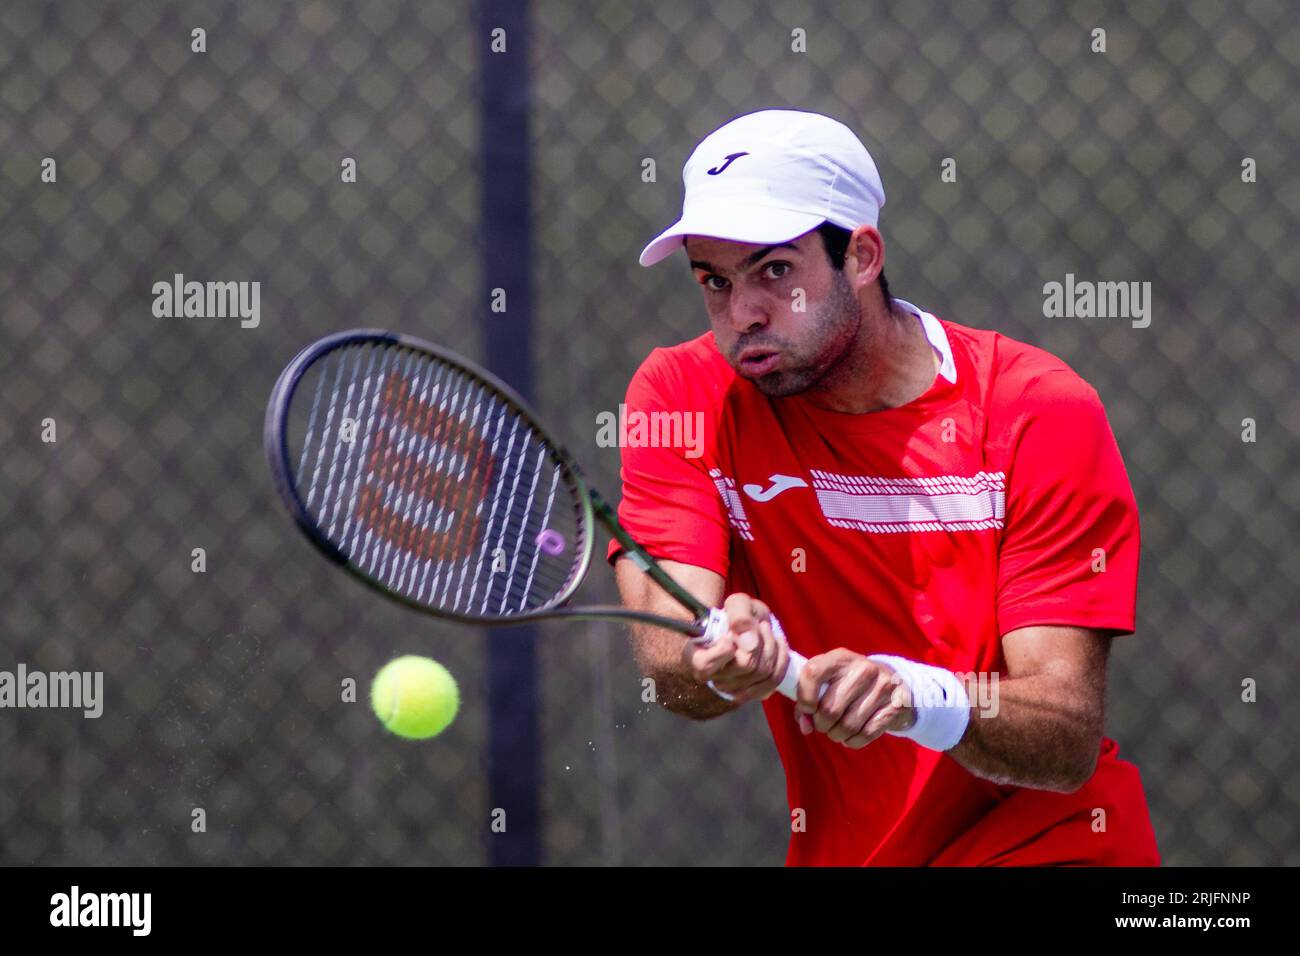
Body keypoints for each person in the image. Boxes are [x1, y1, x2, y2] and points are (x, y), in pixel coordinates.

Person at [608, 108, 1160, 866]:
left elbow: (1063, 734)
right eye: (714, 279)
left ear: (861, 255)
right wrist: (719, 652)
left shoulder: (1037, 410)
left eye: (775, 271)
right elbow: (674, 668)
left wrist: (919, 696)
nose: (743, 313)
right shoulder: (680, 398)